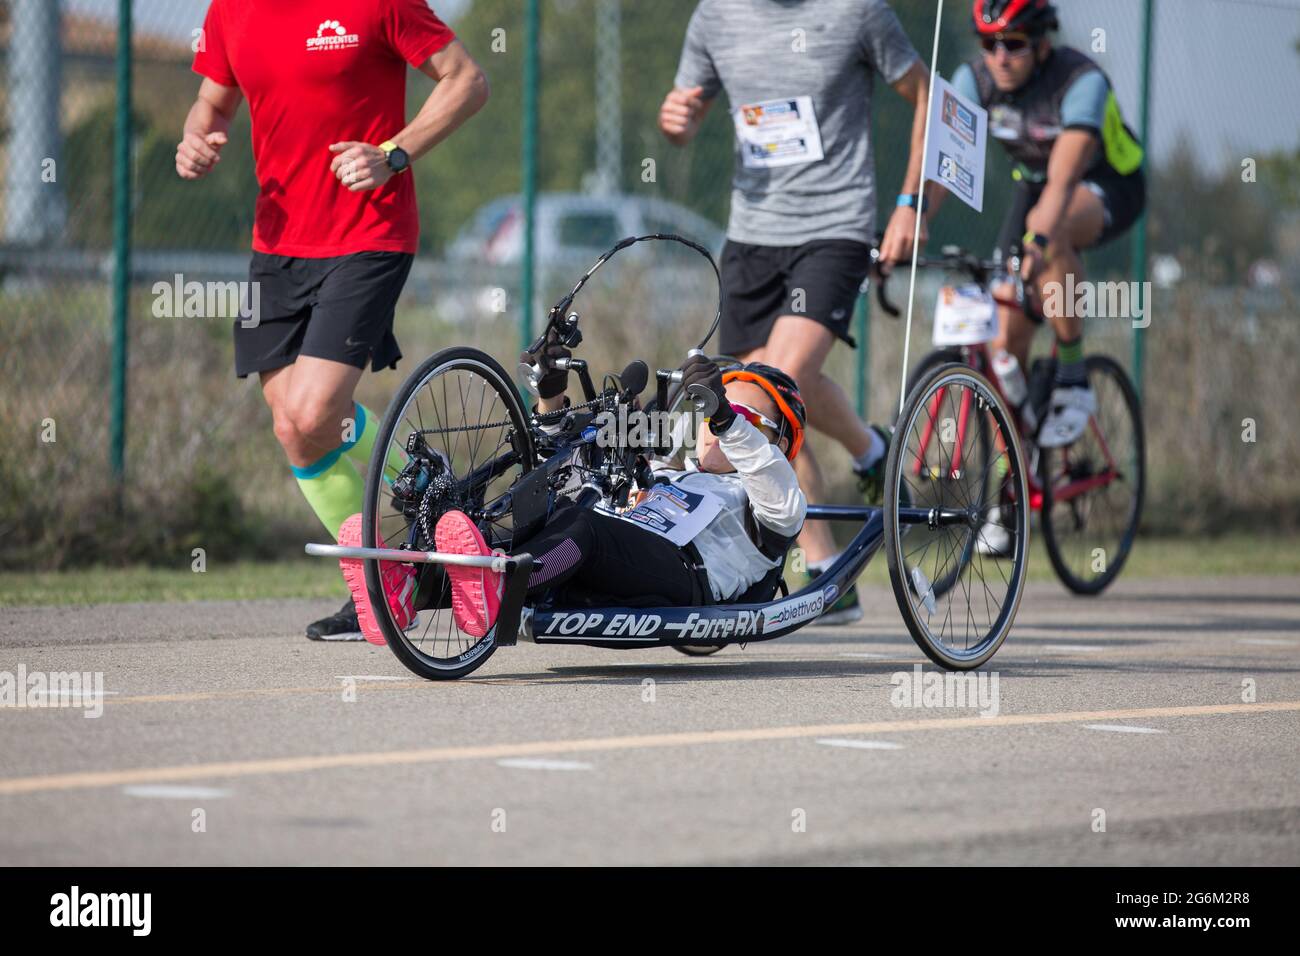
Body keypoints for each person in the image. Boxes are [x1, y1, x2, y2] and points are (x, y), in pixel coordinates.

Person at [178, 0, 489, 640]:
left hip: (368, 235)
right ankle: (390, 579)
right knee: (293, 428)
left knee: (317, 413)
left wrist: (394, 154)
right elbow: (211, 103)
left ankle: (434, 506)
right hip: (277, 246)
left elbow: (466, 80)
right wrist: (194, 139)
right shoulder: (230, 12)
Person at [657, 0, 939, 624]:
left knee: (760, 394)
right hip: (752, 237)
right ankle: (841, 530)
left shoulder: (858, 12)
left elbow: (928, 96)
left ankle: (823, 543)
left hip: (835, 230)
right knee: (781, 386)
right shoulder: (715, 17)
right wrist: (677, 119)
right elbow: (688, 108)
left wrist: (910, 202)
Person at [426, 351, 809, 637]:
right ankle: (406, 583)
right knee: (550, 513)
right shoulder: (669, 471)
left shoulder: (768, 504)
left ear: (780, 440)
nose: (715, 425)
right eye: (707, 412)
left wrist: (727, 417)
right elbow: (571, 469)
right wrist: (551, 398)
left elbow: (767, 472)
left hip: (683, 576)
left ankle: (505, 585)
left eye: (745, 418)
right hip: (611, 562)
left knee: (585, 526)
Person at [953, 0, 1145, 553]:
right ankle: (1006, 495)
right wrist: (910, 216)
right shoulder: (974, 81)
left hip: (1105, 184)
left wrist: (1036, 244)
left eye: (1013, 43)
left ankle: (1073, 374)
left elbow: (1061, 183)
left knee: (1051, 230)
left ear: (1041, 43)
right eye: (989, 44)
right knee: (1001, 348)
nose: (999, 57)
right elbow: (944, 158)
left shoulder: (1080, 81)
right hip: (1033, 190)